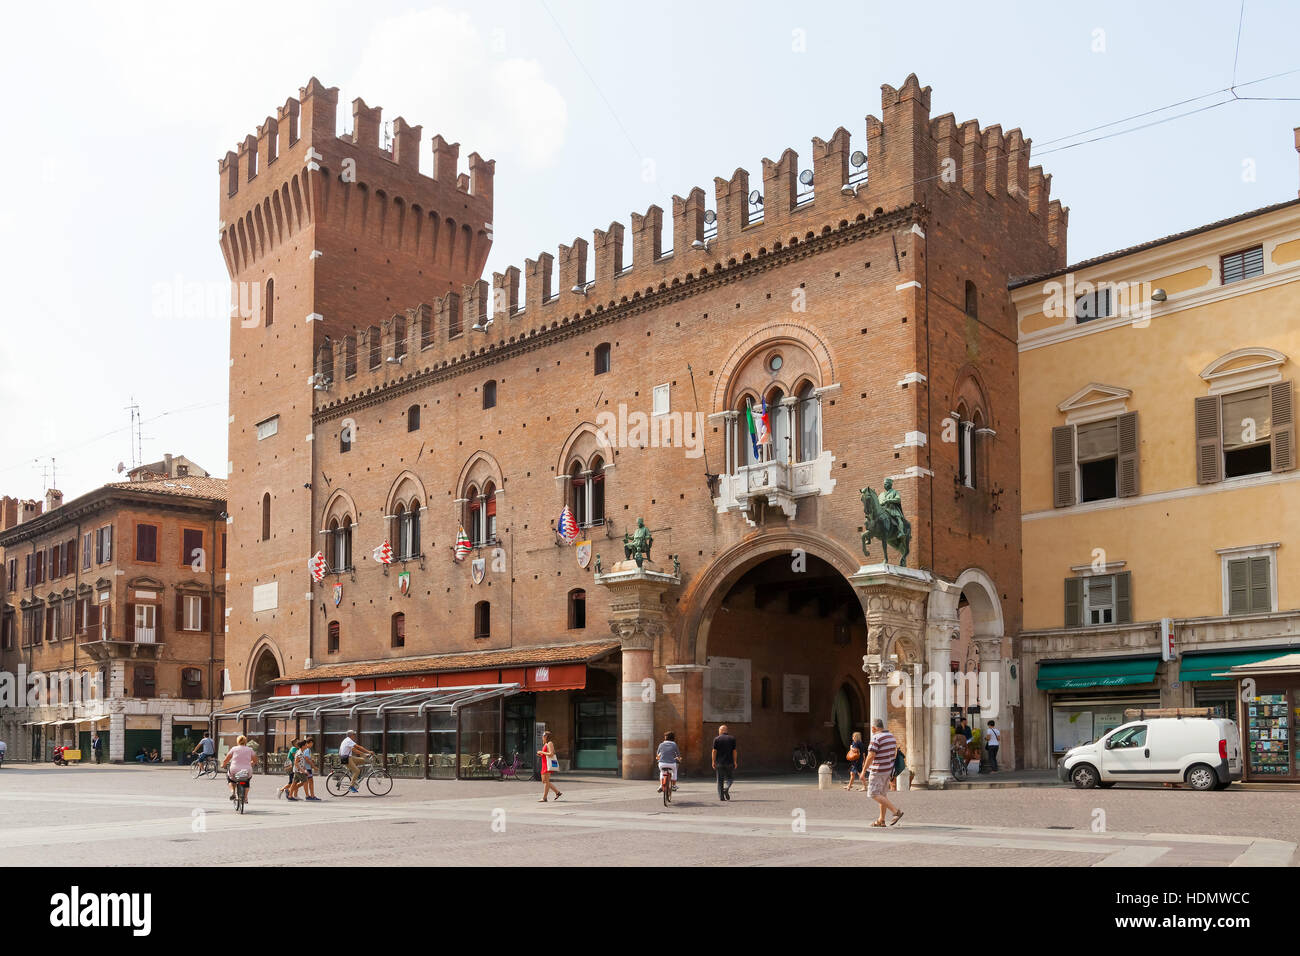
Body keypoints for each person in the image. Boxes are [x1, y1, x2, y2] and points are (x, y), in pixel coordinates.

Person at [866, 718, 902, 827]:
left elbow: (871, 755)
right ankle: (881, 820)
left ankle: (896, 811)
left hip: (878, 770)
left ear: (873, 728)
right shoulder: (891, 737)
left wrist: (863, 771)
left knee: (873, 793)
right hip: (888, 770)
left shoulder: (876, 738)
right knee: (882, 795)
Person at [222, 734, 259, 803]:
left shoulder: (234, 748)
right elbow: (255, 761)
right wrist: (251, 764)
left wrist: (223, 765)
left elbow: (226, 759)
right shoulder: (250, 749)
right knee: (246, 781)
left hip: (234, 770)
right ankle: (245, 797)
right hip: (246, 770)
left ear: (237, 741)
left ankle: (233, 792)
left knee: (230, 779)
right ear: (245, 741)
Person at [338, 729, 374, 794]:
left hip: (349, 757)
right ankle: (351, 787)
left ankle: (357, 776)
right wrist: (367, 752)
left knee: (363, 760)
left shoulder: (347, 740)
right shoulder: (348, 740)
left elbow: (355, 750)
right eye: (354, 735)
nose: (355, 736)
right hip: (345, 758)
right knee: (357, 771)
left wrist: (363, 754)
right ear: (351, 735)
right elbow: (358, 747)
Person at [711, 725, 738, 802]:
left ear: (721, 731)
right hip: (729, 762)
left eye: (719, 730)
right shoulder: (732, 738)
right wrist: (735, 761)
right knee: (730, 778)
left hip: (719, 763)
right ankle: (726, 788)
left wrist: (713, 761)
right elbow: (734, 751)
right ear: (726, 731)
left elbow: (714, 751)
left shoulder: (716, 739)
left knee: (720, 780)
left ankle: (721, 797)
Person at [537, 730, 562, 802]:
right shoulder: (545, 744)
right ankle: (557, 792)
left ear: (546, 736)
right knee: (544, 781)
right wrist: (541, 754)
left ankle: (544, 798)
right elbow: (546, 754)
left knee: (545, 781)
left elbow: (551, 753)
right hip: (544, 764)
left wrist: (541, 752)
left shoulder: (550, 743)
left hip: (547, 765)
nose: (542, 737)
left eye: (543, 736)